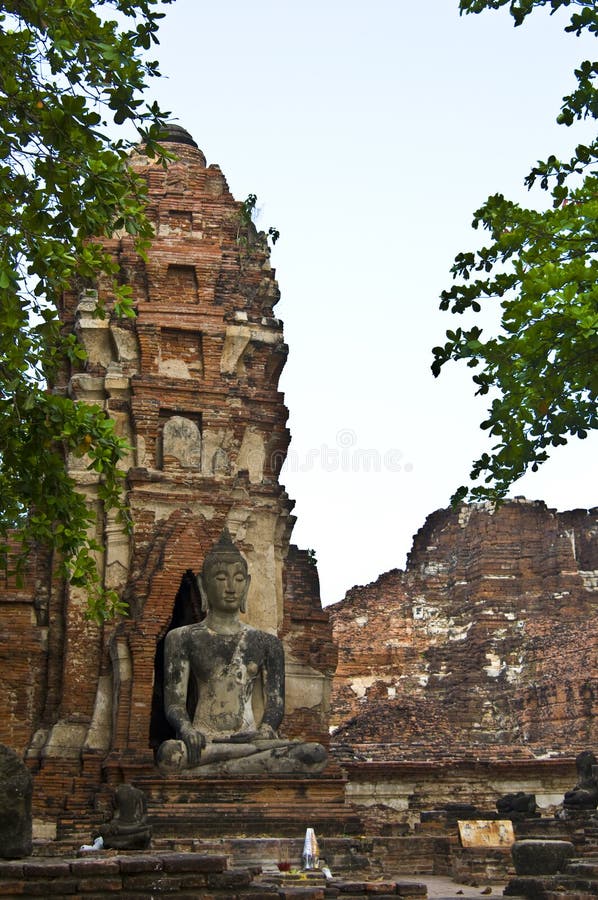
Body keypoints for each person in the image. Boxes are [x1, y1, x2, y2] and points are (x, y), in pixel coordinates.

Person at [157, 529, 327, 775]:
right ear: (204, 586)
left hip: (251, 741)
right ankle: (236, 766)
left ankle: (211, 772)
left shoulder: (266, 643)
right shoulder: (182, 638)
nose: (230, 587)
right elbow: (174, 703)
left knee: (314, 754)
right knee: (170, 755)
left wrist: (267, 731)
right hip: (205, 742)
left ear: (246, 585)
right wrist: (186, 730)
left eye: (238, 579)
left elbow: (275, 706)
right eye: (221, 578)